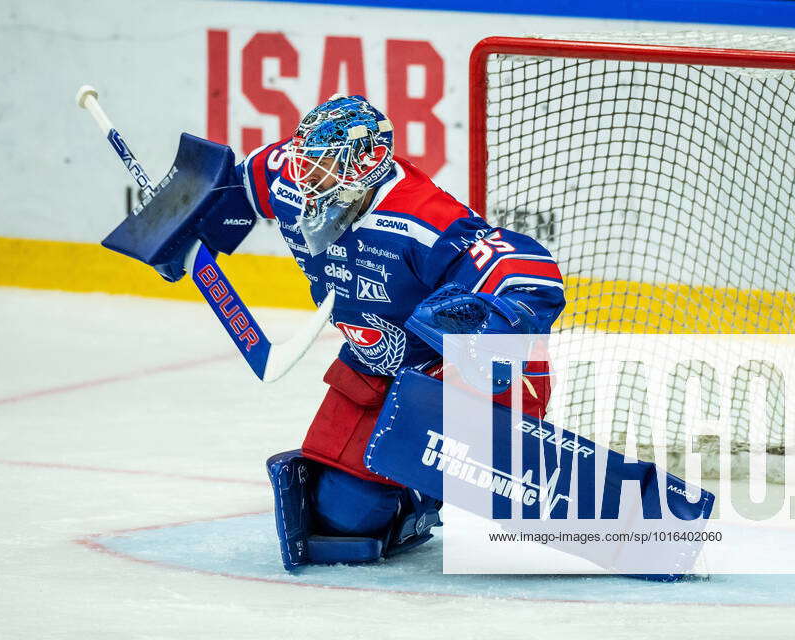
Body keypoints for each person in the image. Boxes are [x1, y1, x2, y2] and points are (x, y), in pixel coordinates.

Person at [233, 95, 566, 567]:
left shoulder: (421, 217)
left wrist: (492, 334)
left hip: (448, 376)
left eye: (322, 166)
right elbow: (236, 183)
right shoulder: (290, 178)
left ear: (364, 163)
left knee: (501, 488)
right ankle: (416, 494)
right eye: (305, 160)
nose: (305, 177)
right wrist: (186, 212)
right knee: (345, 516)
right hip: (376, 368)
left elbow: (528, 275)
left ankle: (471, 460)